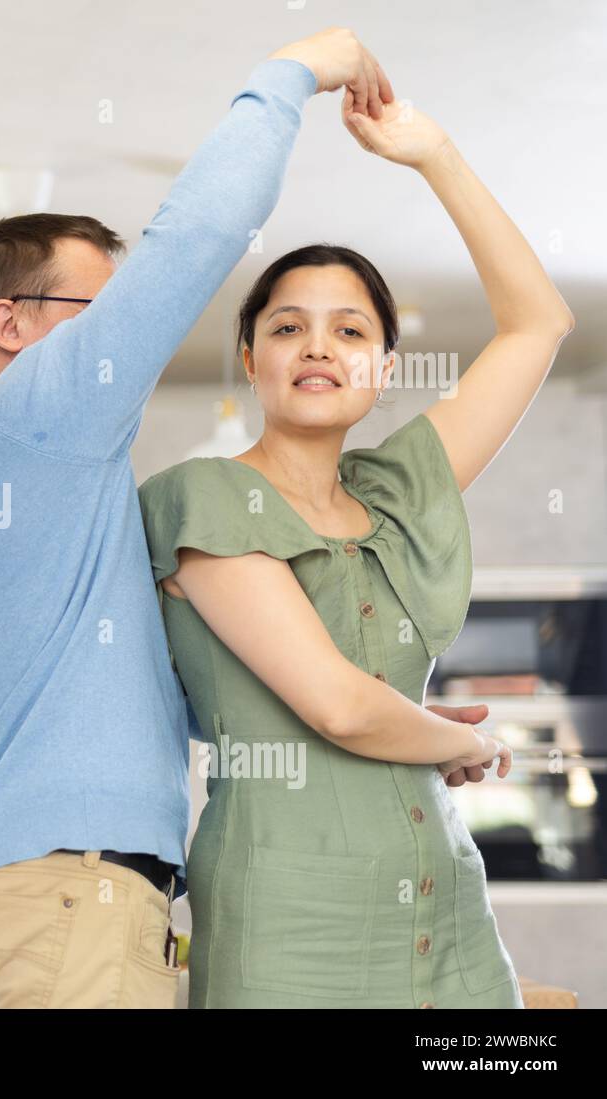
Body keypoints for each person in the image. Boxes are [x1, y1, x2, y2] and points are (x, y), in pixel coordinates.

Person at [0, 28, 413, 1009]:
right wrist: (294, 73)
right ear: (9, 323)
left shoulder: (43, 497)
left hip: (33, 902)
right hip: (64, 902)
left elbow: (185, 702)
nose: (118, 336)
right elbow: (197, 236)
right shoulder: (16, 429)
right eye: (96, 311)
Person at [137, 95, 574, 1007]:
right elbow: (340, 707)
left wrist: (436, 154)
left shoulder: (398, 490)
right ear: (249, 357)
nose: (317, 346)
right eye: (287, 326)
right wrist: (470, 742)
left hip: (444, 902)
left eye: (351, 330)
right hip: (290, 919)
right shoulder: (204, 496)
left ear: (382, 370)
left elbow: (537, 325)